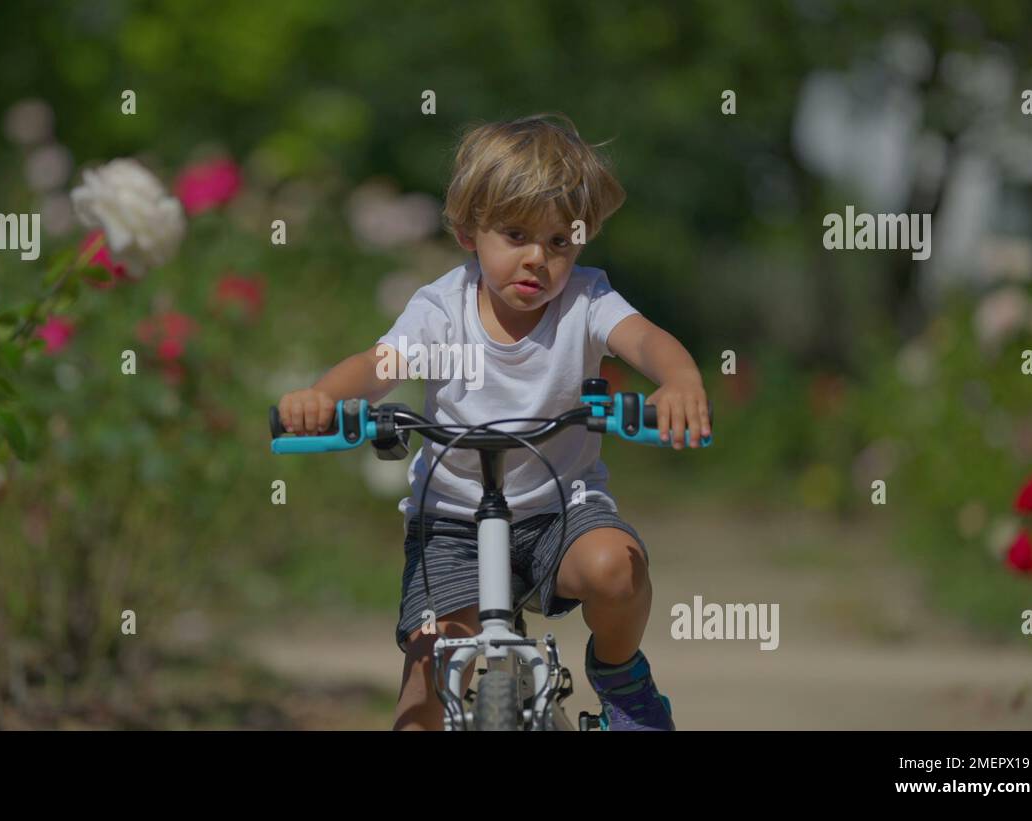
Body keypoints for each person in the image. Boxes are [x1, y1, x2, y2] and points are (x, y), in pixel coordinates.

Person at [275, 113, 710, 730]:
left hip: (562, 511)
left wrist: (681, 381)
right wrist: (321, 397)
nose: (539, 259)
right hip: (451, 523)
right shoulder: (440, 311)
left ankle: (621, 678)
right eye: (515, 234)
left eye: (561, 241)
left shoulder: (586, 300)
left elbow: (647, 342)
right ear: (466, 232)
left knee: (618, 568)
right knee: (424, 690)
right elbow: (378, 367)